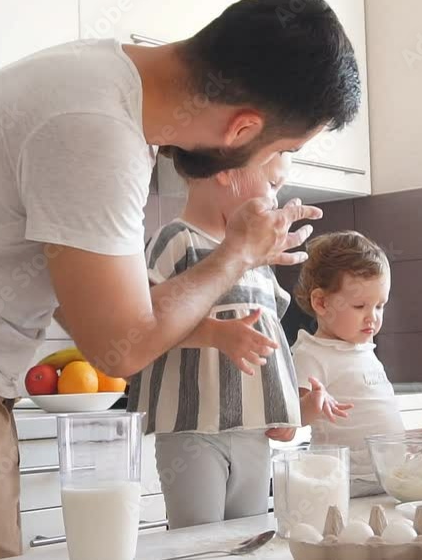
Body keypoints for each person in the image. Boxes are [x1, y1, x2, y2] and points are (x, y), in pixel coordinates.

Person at [0, 0, 362, 558]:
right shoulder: (97, 131)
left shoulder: (98, 81)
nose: (276, 172)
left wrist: (208, 308)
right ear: (243, 129)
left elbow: (91, 314)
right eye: (283, 149)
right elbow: (118, 347)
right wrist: (236, 255)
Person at [130, 152, 352, 529]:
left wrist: (289, 411)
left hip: (253, 434)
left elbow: (270, 341)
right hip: (191, 432)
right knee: (197, 541)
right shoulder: (175, 240)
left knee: (249, 537)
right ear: (226, 172)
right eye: (272, 185)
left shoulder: (257, 259)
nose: (275, 201)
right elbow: (144, 324)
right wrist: (214, 334)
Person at [291, 231, 407, 497]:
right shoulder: (312, 353)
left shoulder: (364, 350)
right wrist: (312, 404)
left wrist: (401, 437)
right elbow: (292, 419)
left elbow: (369, 413)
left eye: (380, 306)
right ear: (321, 302)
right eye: (359, 306)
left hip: (386, 475)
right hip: (345, 482)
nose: (373, 318)